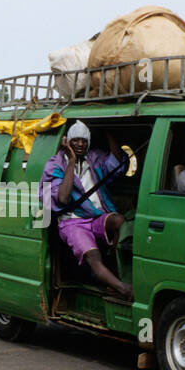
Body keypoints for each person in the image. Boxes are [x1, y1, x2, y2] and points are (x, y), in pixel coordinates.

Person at [40, 121, 132, 300]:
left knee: (119, 221)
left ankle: (113, 275)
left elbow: (116, 167)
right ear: (68, 142)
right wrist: (71, 161)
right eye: (75, 141)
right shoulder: (55, 165)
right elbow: (63, 198)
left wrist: (109, 134)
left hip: (96, 217)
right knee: (93, 256)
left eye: (83, 141)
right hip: (72, 222)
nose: (80, 144)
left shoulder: (94, 157)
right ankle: (123, 289)